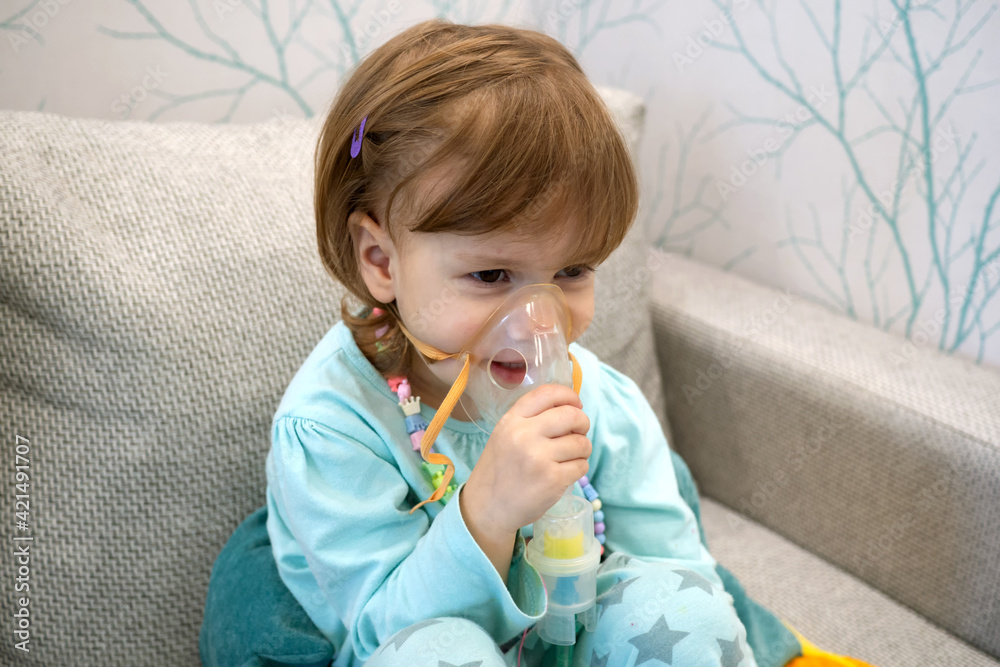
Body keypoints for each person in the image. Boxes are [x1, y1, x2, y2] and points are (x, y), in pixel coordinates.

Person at [266, 18, 757, 666]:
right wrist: (488, 513)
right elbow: (381, 634)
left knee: (683, 612)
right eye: (492, 275)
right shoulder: (334, 429)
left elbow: (678, 577)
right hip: (424, 640)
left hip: (576, 642)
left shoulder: (601, 402)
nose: (538, 322)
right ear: (381, 260)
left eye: (572, 271)